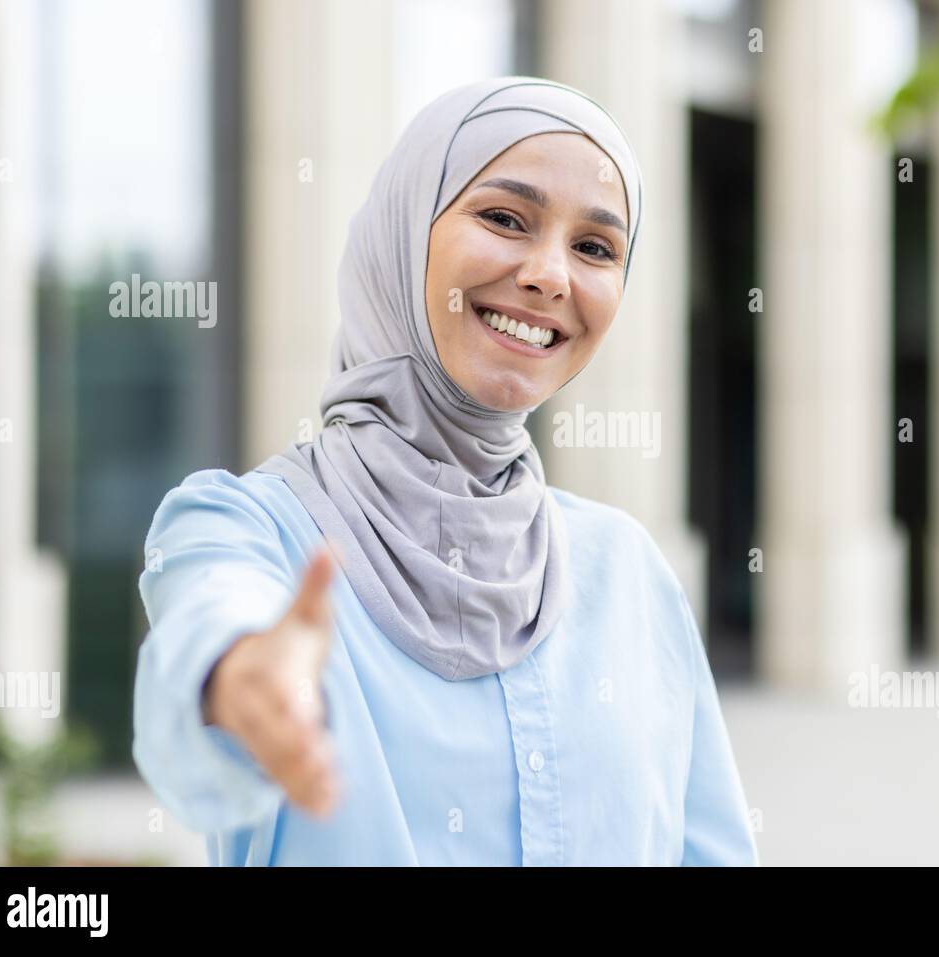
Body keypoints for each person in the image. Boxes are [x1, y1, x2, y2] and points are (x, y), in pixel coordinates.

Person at [132, 75, 759, 866]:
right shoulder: (245, 528)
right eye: (504, 217)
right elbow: (204, 639)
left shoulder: (628, 571)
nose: (551, 275)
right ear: (404, 233)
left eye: (594, 247)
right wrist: (241, 674)